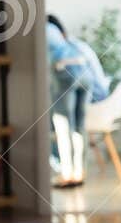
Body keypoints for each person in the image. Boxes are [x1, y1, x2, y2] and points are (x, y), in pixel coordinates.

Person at [46, 14, 111, 187]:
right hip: (86, 77)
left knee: (63, 124)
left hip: (65, 73)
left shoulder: (45, 30)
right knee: (78, 126)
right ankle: (79, 172)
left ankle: (66, 174)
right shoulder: (76, 44)